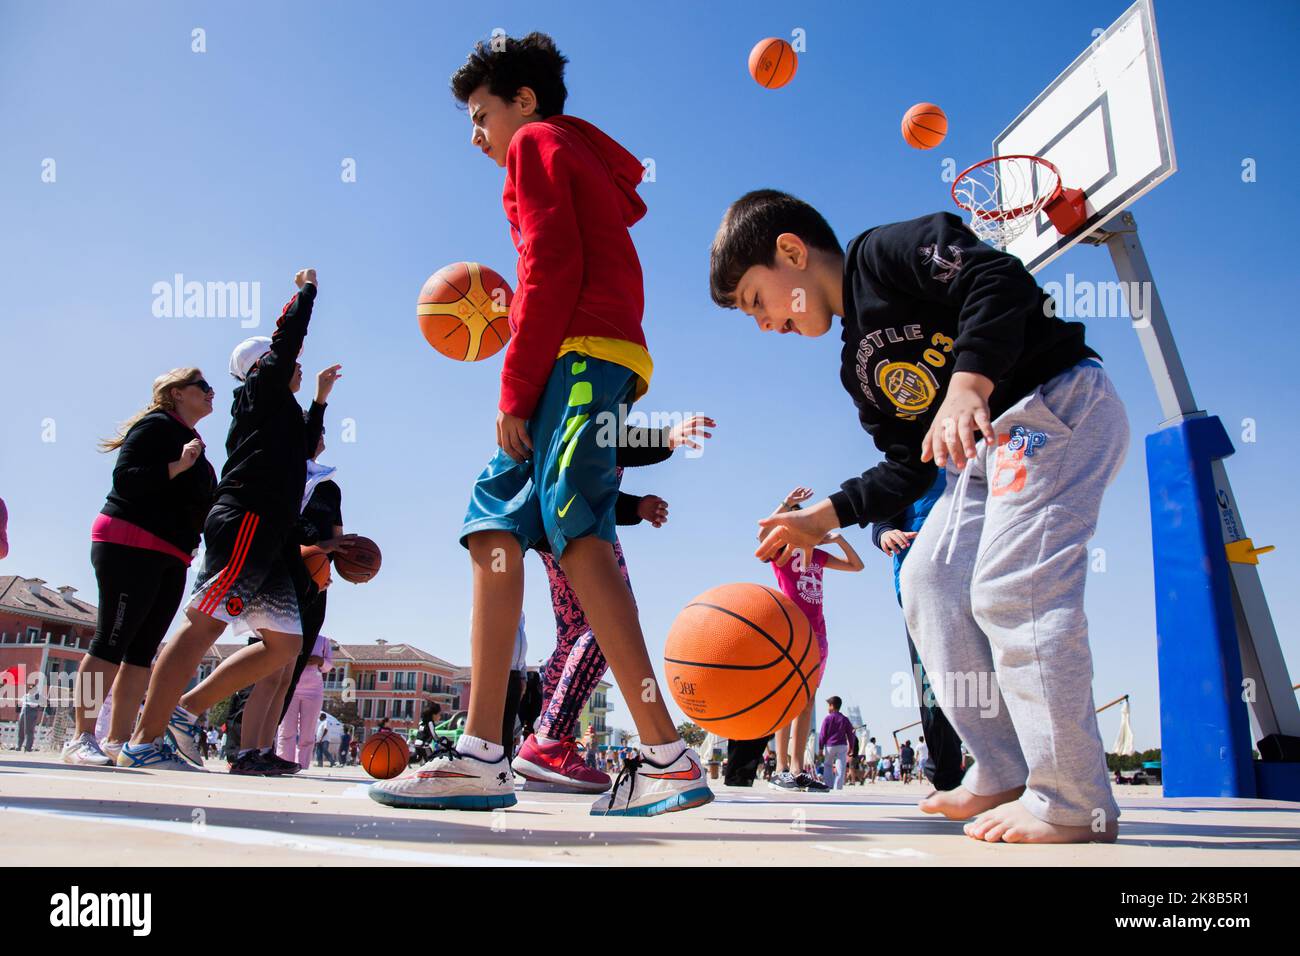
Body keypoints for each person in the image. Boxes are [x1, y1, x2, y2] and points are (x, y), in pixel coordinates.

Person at [716, 191, 1127, 844]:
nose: (764, 325)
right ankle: (1002, 766)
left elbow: (997, 278)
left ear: (791, 253)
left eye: (756, 302)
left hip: (1053, 404)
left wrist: (969, 382)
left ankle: (1072, 794)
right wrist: (823, 516)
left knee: (1013, 586)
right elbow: (910, 466)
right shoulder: (859, 370)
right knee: (929, 581)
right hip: (981, 457)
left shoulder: (886, 254)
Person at [370, 33, 711, 817]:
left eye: (481, 113)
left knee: (578, 528)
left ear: (522, 100)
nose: (476, 133)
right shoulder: (567, 150)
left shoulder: (537, 141)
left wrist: (515, 388)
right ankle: (481, 754)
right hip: (576, 354)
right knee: (492, 523)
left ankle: (666, 756)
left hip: (580, 355)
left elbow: (550, 263)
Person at [121, 270, 328, 772]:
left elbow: (307, 449)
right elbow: (286, 342)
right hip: (246, 523)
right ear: (264, 366)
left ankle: (186, 712)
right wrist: (305, 292)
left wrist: (319, 402)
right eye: (290, 364)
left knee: (285, 645)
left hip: (269, 534)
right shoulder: (261, 391)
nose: (297, 368)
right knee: (201, 628)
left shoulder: (277, 413)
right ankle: (143, 741)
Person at [513, 416, 715, 794]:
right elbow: (605, 441)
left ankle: (542, 744)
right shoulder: (593, 404)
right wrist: (667, 440)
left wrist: (635, 506)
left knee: (574, 635)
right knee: (612, 625)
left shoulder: (577, 407)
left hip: (555, 520)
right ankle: (550, 741)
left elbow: (591, 473)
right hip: (578, 523)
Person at [62, 369, 217, 767]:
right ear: (178, 393)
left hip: (172, 552)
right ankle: (80, 738)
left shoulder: (194, 440)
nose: (211, 392)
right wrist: (177, 466)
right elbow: (126, 480)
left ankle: (118, 742)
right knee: (110, 642)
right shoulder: (155, 426)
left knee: (141, 653)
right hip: (129, 542)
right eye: (204, 387)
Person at [762, 486, 863, 792]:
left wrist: (838, 538)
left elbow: (857, 566)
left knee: (806, 703)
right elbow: (763, 533)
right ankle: (780, 769)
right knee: (786, 699)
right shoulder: (780, 553)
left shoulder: (816, 554)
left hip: (818, 633)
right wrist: (786, 503)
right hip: (791, 630)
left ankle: (796, 769)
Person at [872, 471, 966, 792]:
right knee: (932, 683)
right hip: (921, 583)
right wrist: (886, 534)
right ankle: (946, 774)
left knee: (988, 676)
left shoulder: (983, 455)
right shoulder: (910, 464)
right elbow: (882, 520)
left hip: (976, 578)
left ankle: (1006, 770)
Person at [276, 632, 332, 770]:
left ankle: (303, 765)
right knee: (286, 729)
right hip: (290, 687)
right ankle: (284, 762)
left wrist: (320, 661)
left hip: (314, 691)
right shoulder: (291, 636)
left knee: (308, 731)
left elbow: (329, 665)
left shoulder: (323, 640)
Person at [818, 697, 855, 790]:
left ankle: (828, 785)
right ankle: (837, 786)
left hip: (829, 746)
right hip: (842, 745)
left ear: (831, 706)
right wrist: (851, 746)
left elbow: (822, 734)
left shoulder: (827, 718)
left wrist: (820, 748)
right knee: (840, 767)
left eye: (828, 706)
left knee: (827, 765)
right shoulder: (844, 719)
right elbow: (851, 733)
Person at [17, 682, 44, 752]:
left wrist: (35, 704)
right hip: (23, 714)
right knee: (21, 731)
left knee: (29, 732)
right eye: (30, 689)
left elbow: (41, 704)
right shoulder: (25, 696)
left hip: (31, 715)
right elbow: (19, 703)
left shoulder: (37, 697)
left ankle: (28, 747)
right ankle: (18, 746)